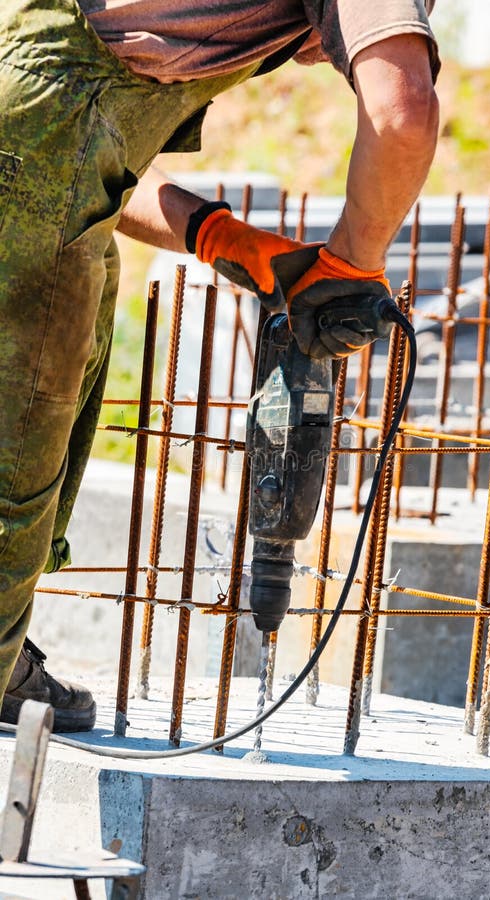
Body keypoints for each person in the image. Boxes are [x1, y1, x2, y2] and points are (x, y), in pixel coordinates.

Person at [0, 0, 439, 731]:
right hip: (41, 154)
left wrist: (219, 235)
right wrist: (352, 262)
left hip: (41, 150)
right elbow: (404, 112)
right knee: (12, 463)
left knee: (38, 416)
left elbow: (87, 150)